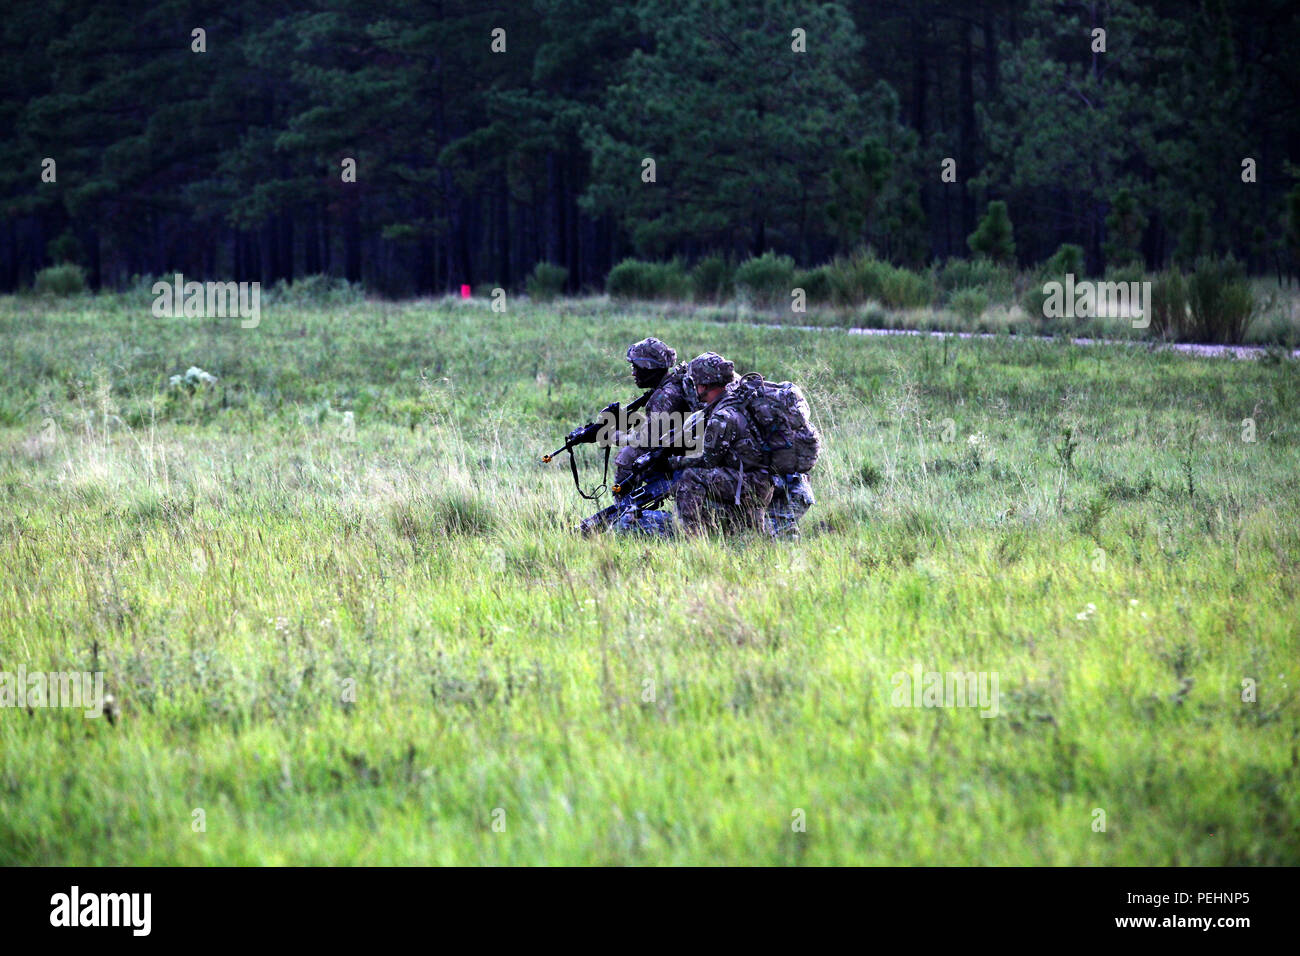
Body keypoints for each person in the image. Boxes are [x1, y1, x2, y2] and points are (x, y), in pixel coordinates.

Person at [668, 352, 773, 533]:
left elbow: (708, 461)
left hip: (751, 483)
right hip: (763, 479)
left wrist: (675, 462)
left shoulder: (722, 417)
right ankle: (737, 526)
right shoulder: (734, 398)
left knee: (690, 477)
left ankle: (691, 537)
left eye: (695, 383)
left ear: (704, 385)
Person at [612, 337, 695, 490]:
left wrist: (618, 436)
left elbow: (648, 440)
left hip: (682, 456)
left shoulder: (665, 395)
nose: (633, 373)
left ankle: (624, 510)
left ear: (650, 369)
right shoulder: (671, 385)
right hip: (682, 450)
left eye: (637, 368)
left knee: (627, 456)